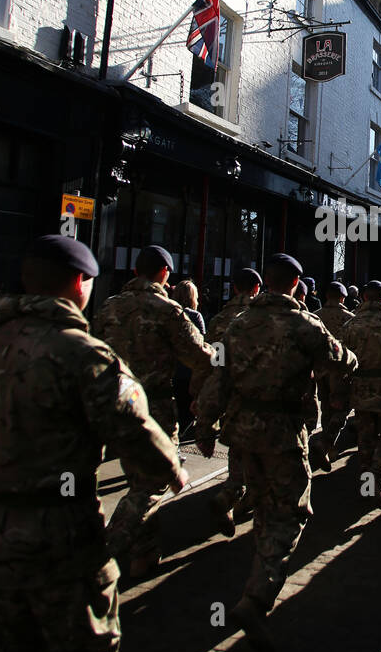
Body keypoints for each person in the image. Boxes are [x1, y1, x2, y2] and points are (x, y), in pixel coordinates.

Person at [0, 235, 185, 652]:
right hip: (56, 536)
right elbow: (145, 445)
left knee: (11, 648)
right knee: (85, 649)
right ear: (79, 284)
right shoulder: (84, 355)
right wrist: (172, 474)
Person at [194, 254, 357, 652]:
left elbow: (220, 376)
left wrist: (205, 426)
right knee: (292, 514)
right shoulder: (305, 326)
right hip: (284, 434)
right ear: (297, 284)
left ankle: (256, 569)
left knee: (265, 506)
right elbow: (342, 359)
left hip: (243, 433)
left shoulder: (238, 324)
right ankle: (256, 597)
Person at [93, 245, 214, 575]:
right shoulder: (168, 310)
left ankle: (143, 556)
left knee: (136, 477)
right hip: (154, 409)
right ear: (164, 273)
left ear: (135, 272)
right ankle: (102, 553)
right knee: (156, 482)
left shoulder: (108, 308)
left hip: (111, 404)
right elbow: (199, 357)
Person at [204, 268, 263, 523]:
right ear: (256, 289)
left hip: (230, 395)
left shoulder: (219, 320)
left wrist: (202, 398)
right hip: (261, 397)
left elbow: (212, 362)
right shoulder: (262, 317)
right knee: (259, 453)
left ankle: (232, 493)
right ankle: (242, 497)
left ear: (235, 288)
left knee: (237, 448)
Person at [342, 281, 381, 502]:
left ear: (363, 298)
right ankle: (376, 478)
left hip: (360, 390)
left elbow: (342, 362)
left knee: (365, 437)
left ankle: (366, 484)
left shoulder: (351, 325)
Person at [311, 282, 355, 471]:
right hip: (341, 371)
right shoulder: (350, 319)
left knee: (327, 407)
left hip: (320, 370)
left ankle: (329, 447)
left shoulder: (315, 317)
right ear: (343, 298)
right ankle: (326, 442)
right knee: (342, 408)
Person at [170, 280, 205, 434]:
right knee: (186, 414)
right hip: (189, 373)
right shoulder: (195, 316)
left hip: (172, 371)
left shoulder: (170, 313)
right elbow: (201, 344)